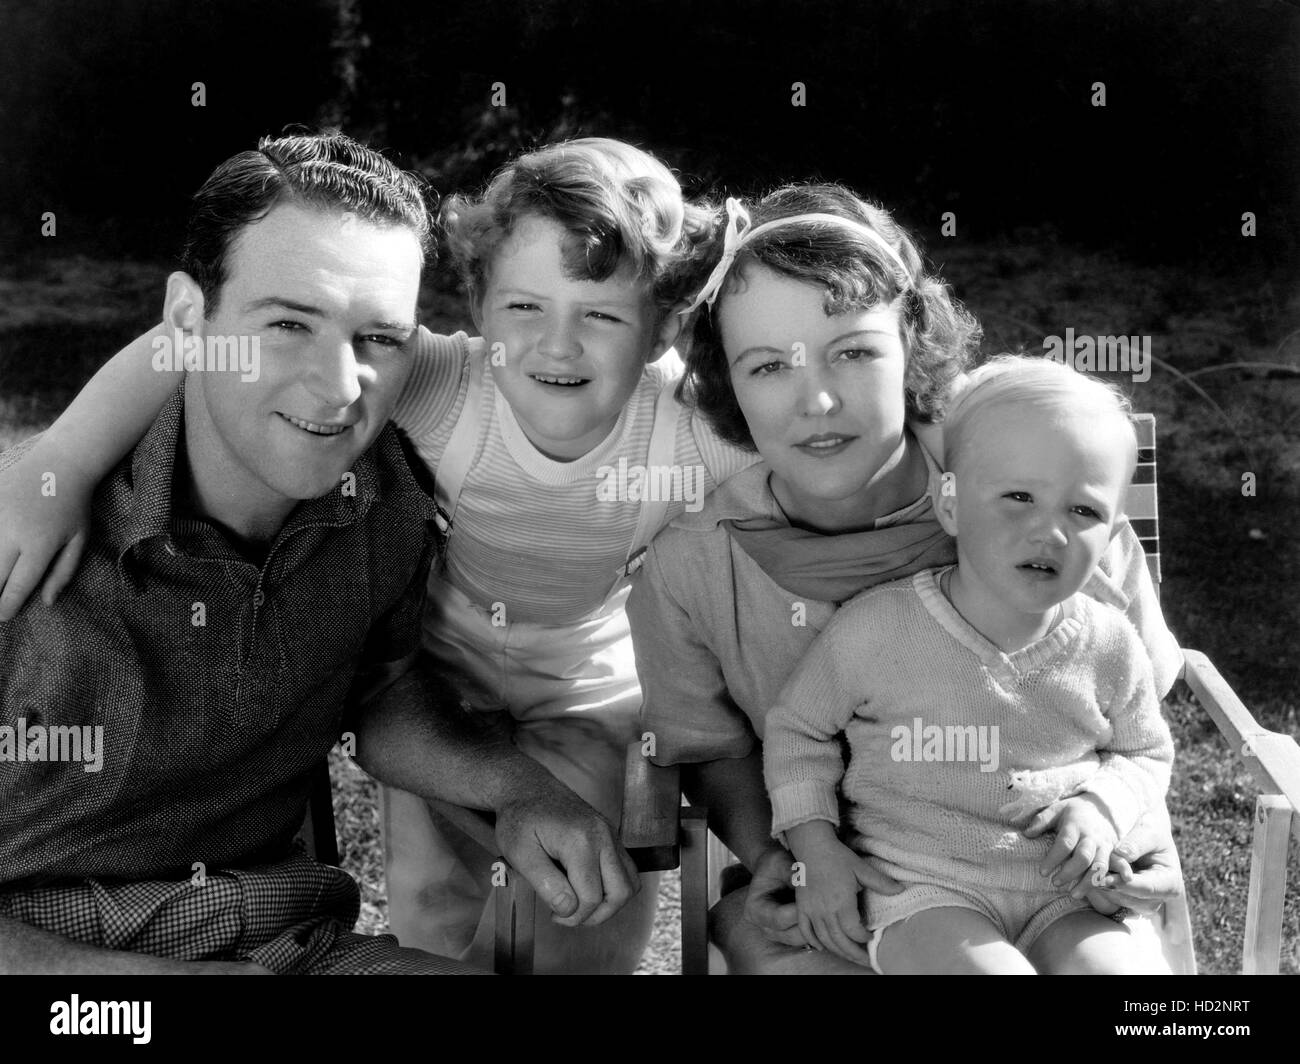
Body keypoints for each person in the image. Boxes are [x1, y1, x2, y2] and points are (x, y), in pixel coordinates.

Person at [0, 137, 755, 973]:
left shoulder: (384, 500)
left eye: (379, 339)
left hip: (296, 945)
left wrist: (519, 788)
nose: (339, 386)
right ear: (187, 323)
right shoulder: (25, 537)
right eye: (288, 323)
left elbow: (386, 688)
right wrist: (58, 460)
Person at [626, 184, 1186, 974]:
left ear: (911, 342)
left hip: (1058, 883)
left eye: (853, 351)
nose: (817, 400)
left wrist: (1136, 832)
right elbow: (710, 748)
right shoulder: (691, 564)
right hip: (843, 893)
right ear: (729, 385)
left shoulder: (1029, 488)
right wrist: (782, 856)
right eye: (767, 367)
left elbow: (1125, 708)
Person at [765, 355, 1175, 974]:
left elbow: (1145, 751)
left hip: (1071, 894)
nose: (1051, 533)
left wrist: (1102, 807)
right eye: (1018, 497)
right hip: (924, 889)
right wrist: (814, 847)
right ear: (950, 506)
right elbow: (799, 730)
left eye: (1083, 512)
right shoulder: (880, 627)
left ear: (1113, 533)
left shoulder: (1111, 644)